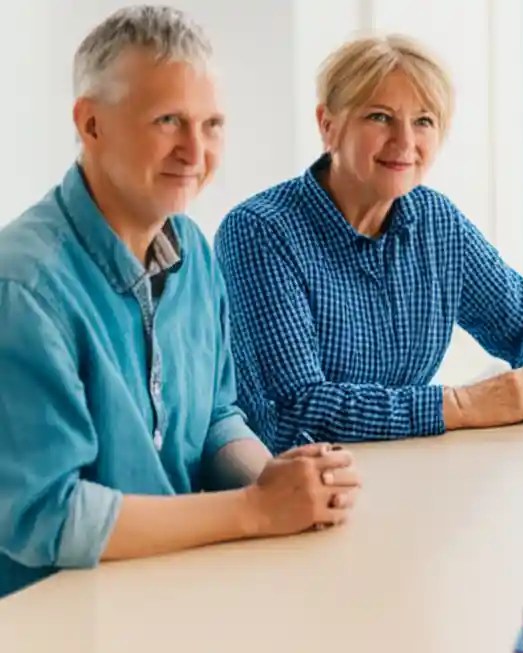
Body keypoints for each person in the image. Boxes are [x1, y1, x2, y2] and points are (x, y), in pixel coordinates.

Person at [0, 6, 361, 598]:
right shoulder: (23, 287)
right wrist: (253, 510)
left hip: (158, 596)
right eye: (168, 120)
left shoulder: (193, 249)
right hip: (47, 629)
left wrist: (277, 478)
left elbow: (217, 417)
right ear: (90, 124)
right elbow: (50, 516)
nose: (195, 151)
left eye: (212, 124)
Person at [214, 34, 523, 454]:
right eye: (380, 117)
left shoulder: (435, 222)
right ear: (328, 125)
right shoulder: (259, 232)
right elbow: (297, 411)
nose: (405, 142)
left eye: (424, 121)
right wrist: (460, 404)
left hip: (404, 472)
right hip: (288, 491)